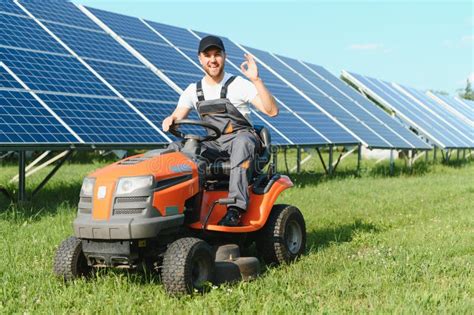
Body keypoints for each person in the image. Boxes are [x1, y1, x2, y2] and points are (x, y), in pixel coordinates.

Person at [162, 35, 278, 226]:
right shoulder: (193, 90)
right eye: (207, 55)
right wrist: (171, 119)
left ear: (224, 56)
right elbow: (177, 114)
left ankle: (235, 209)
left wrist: (256, 80)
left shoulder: (239, 84)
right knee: (176, 148)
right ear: (200, 58)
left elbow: (272, 111)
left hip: (242, 138)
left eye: (217, 54)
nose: (212, 60)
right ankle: (175, 204)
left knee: (242, 143)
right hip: (214, 143)